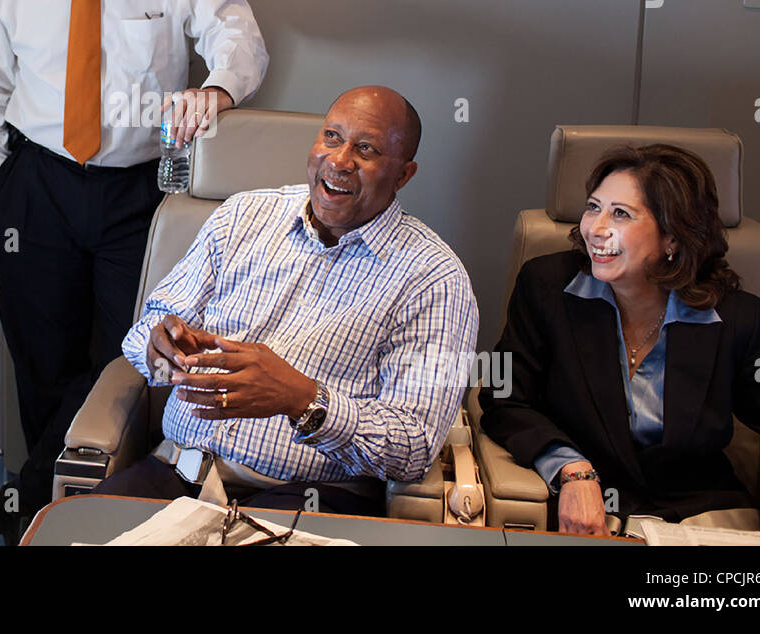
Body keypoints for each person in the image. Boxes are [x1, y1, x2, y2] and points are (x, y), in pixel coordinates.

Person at [0, 0, 269, 541]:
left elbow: (239, 34)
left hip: (138, 193)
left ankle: (54, 505)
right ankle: (53, 504)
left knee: (121, 354)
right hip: (34, 186)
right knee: (40, 356)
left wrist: (216, 90)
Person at [93, 86, 480, 514]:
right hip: (177, 472)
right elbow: (147, 330)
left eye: (365, 149)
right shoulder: (241, 216)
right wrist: (159, 348)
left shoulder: (433, 278)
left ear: (403, 174)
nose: (339, 161)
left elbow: (414, 446)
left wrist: (302, 400)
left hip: (310, 495)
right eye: (331, 137)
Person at [479, 144, 760, 535]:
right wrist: (572, 470)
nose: (596, 229)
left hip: (699, 514)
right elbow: (502, 395)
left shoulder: (735, 318)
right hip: (588, 511)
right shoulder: (546, 286)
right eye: (592, 207)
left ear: (673, 237)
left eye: (620, 214)